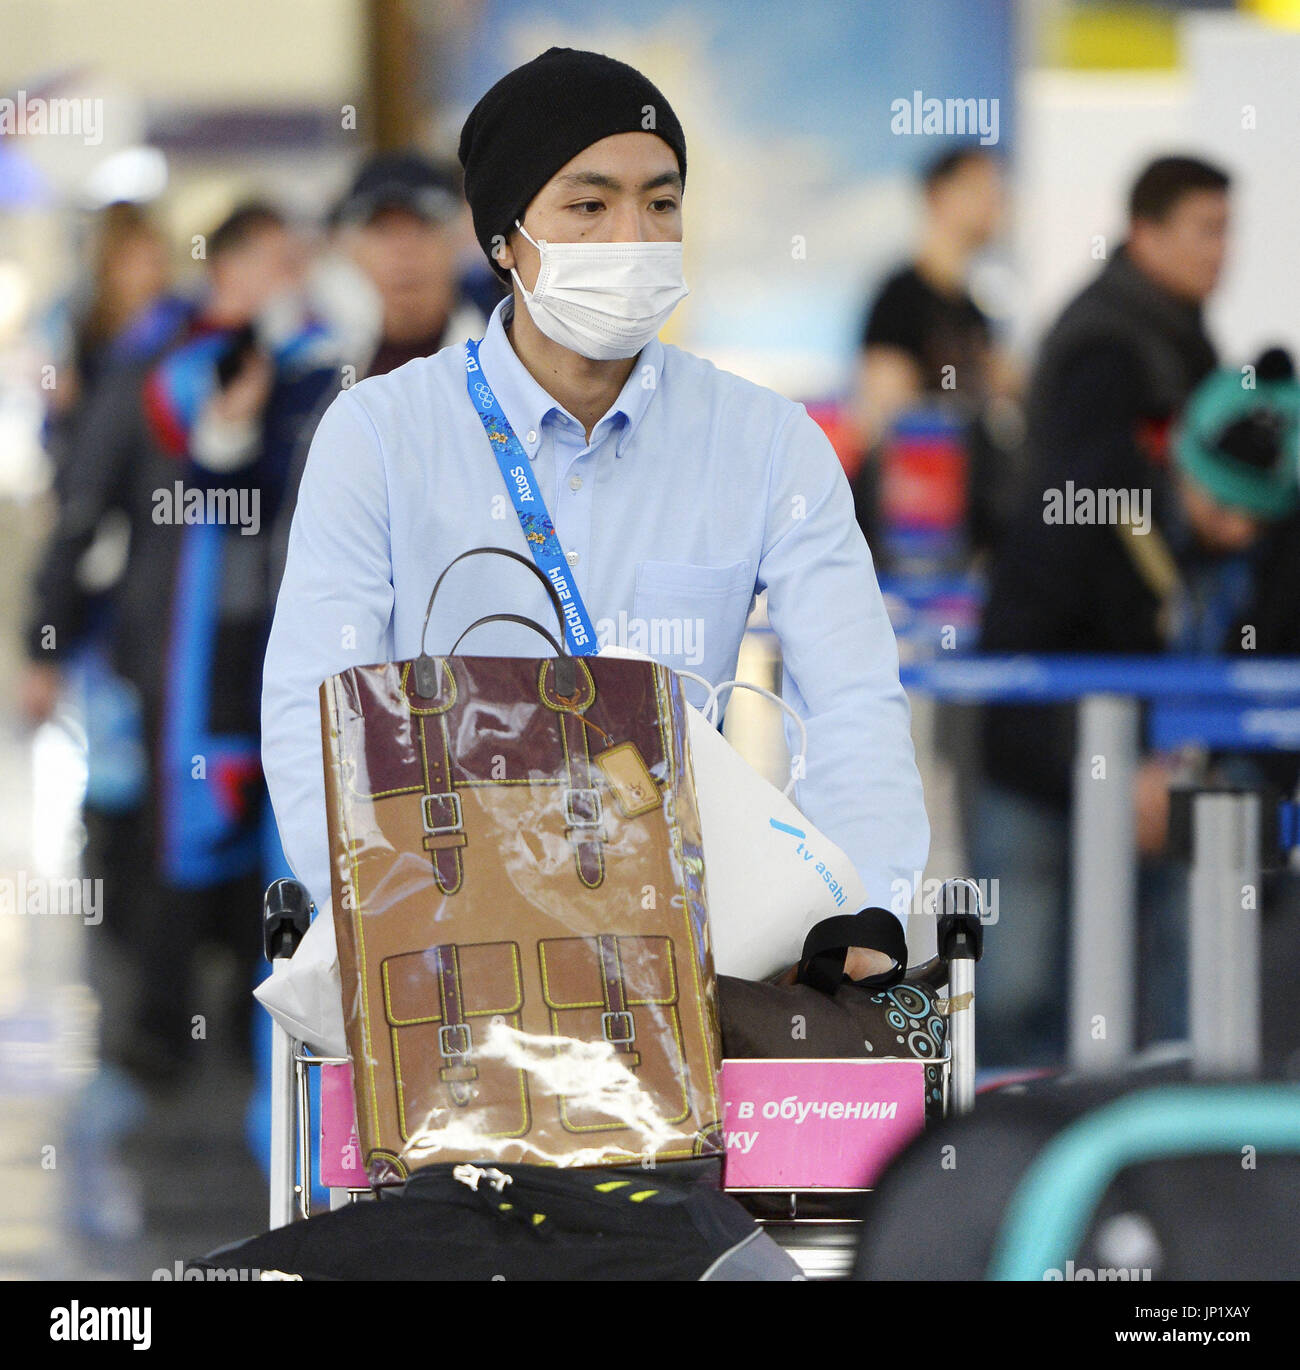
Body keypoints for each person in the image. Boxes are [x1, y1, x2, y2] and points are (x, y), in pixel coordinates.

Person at [262, 47, 930, 982]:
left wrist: (861, 911)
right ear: (504, 238)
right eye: (588, 205)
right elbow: (315, 704)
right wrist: (379, 911)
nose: (633, 237)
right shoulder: (380, 436)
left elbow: (854, 697)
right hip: (447, 942)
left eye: (660, 203)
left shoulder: (765, 443)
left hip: (693, 950)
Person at [973, 155, 1233, 1063]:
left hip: (1116, 728)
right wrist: (1107, 769)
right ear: (1145, 234)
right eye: (1206, 229)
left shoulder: (1173, 339)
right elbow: (1069, 552)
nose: (1223, 252)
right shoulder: (1112, 352)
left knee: (1131, 986)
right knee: (1022, 993)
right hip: (1054, 715)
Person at [849, 144, 1021, 560]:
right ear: (938, 196)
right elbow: (887, 415)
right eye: (980, 189)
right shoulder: (899, 297)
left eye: (997, 192)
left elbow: (1004, 395)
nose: (994, 203)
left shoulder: (975, 314)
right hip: (913, 530)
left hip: (966, 528)